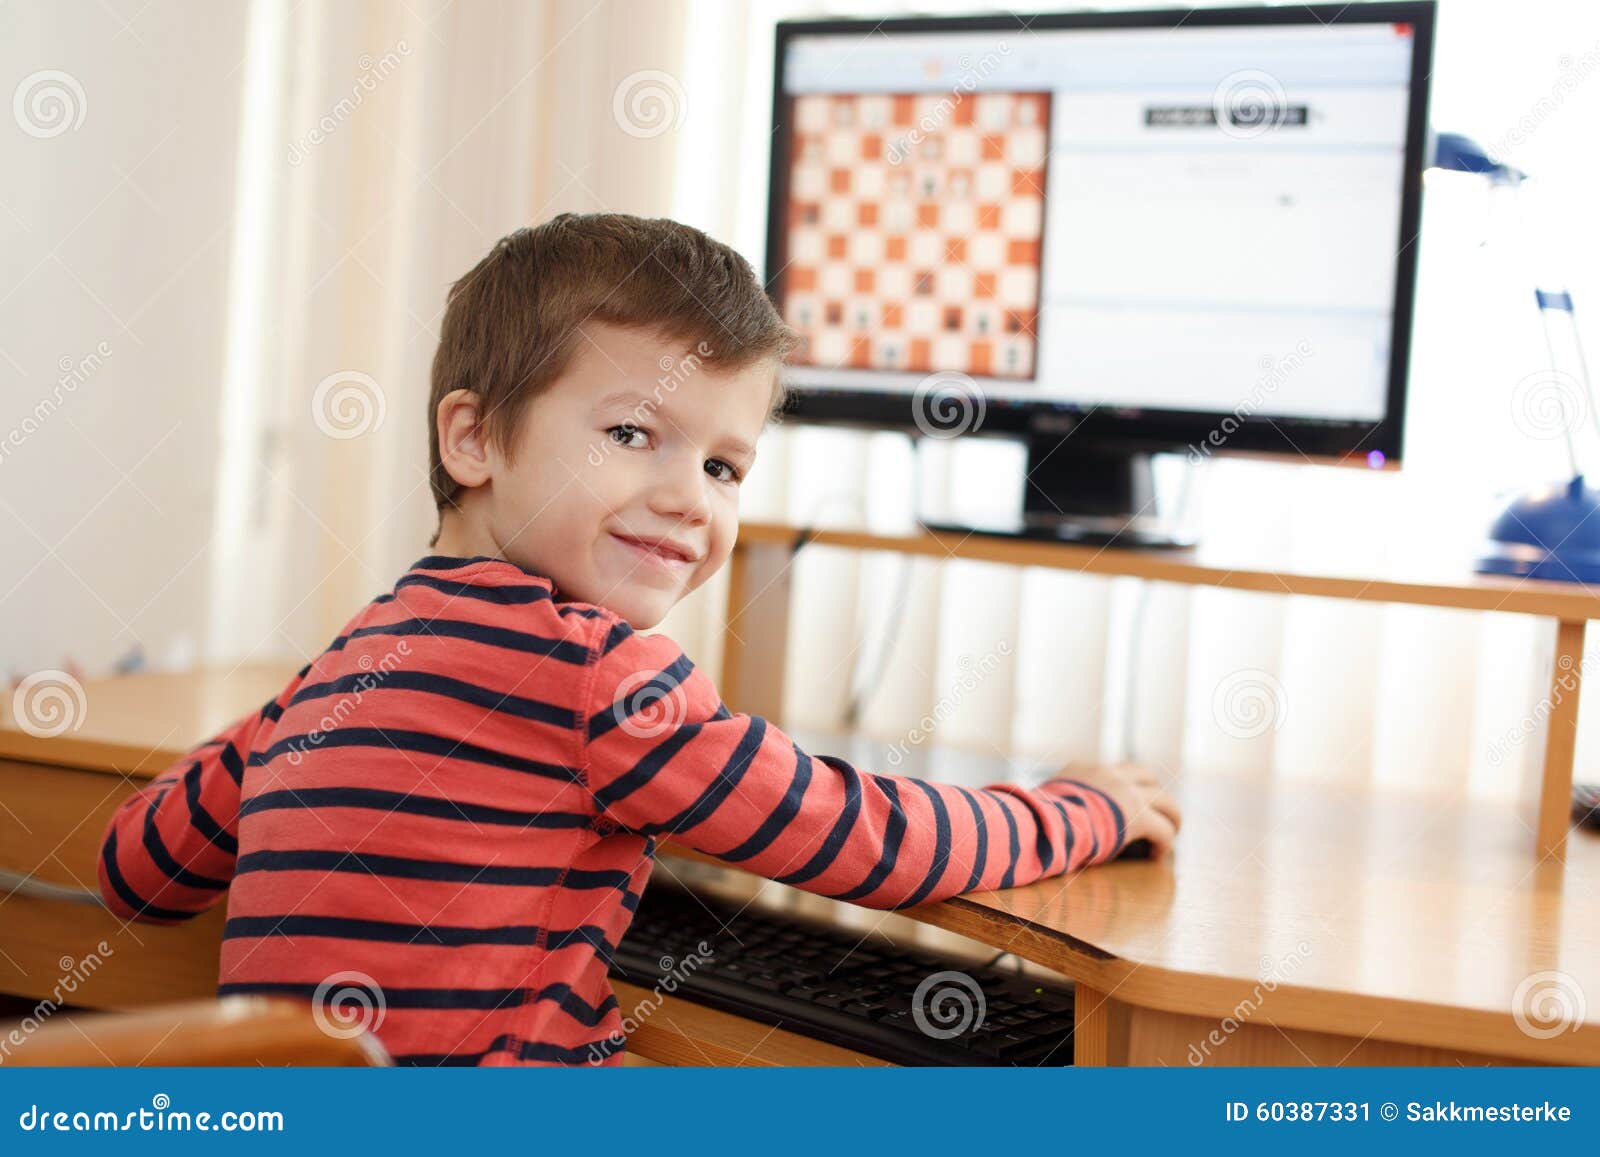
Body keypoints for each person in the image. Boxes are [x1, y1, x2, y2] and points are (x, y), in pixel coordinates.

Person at [98, 213, 1181, 1065]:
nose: (688, 498)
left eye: (723, 466)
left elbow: (138, 872)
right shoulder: (597, 671)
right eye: (631, 433)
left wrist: (288, 736)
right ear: (473, 436)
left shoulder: (348, 658)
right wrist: (1076, 808)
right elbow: (873, 842)